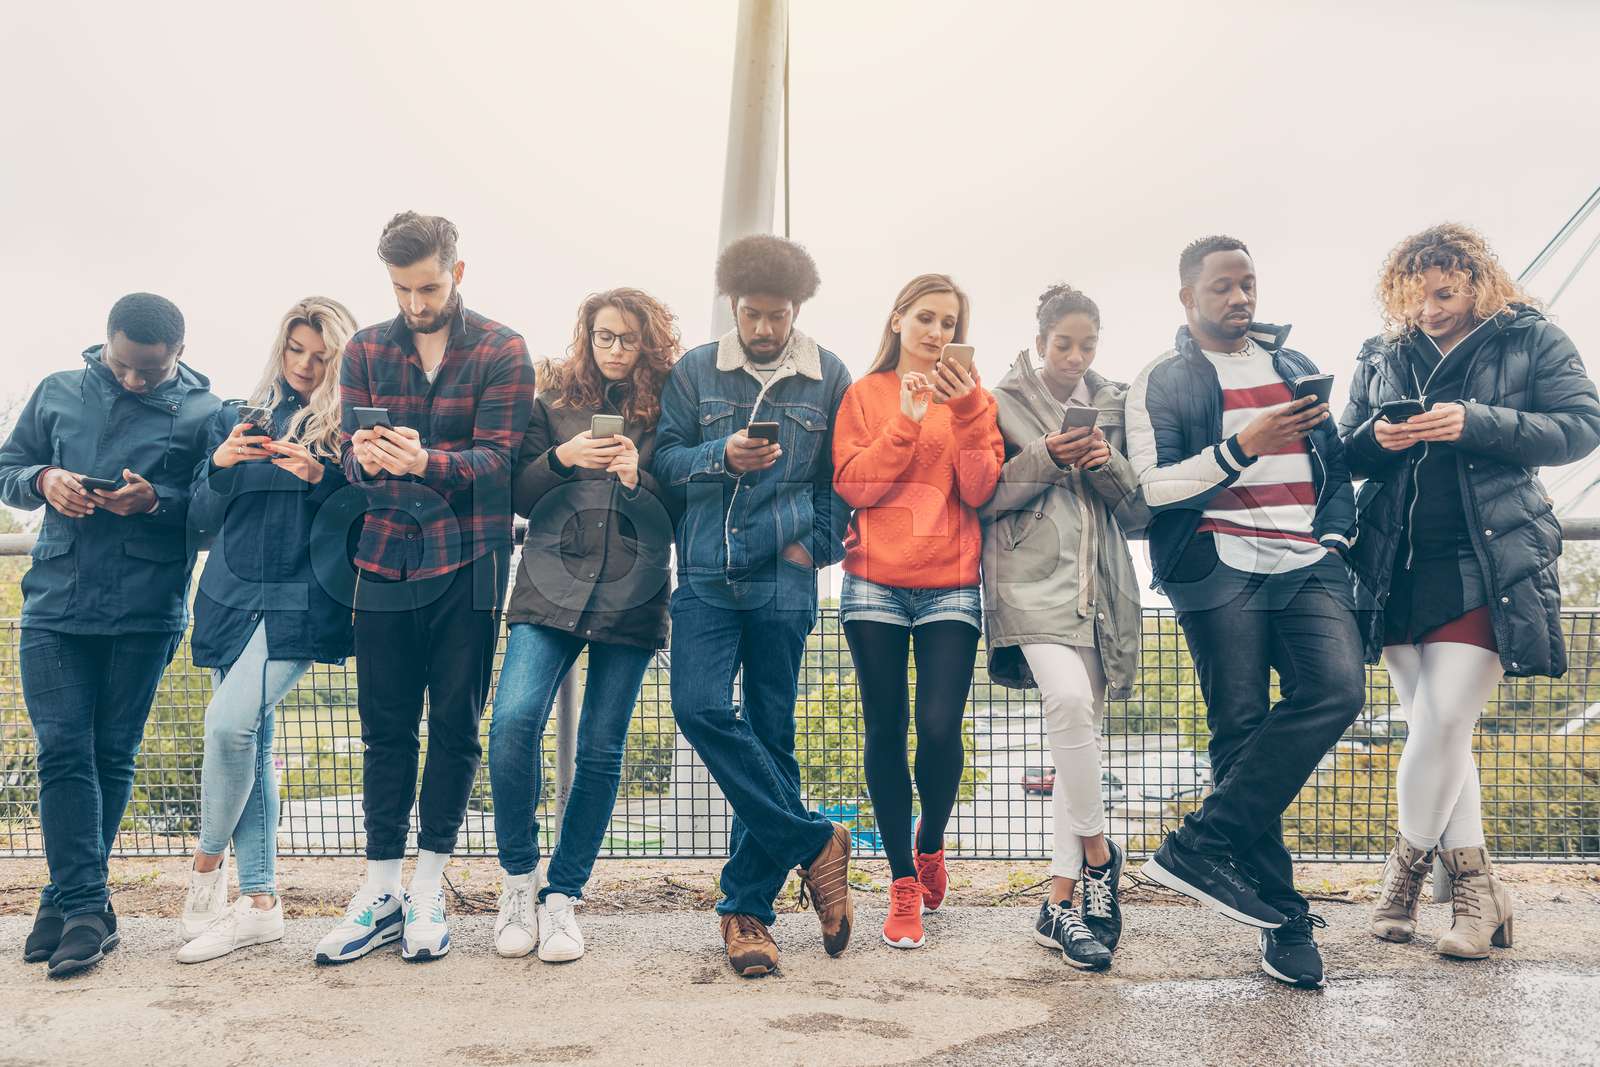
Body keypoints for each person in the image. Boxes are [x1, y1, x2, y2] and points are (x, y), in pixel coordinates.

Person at [1340, 223, 1600, 958]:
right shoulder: (1382, 354)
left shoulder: (1530, 339)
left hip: (1489, 560)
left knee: (1446, 719)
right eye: (1414, 295)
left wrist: (1475, 422)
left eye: (1445, 292)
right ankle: (1483, 896)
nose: (1428, 308)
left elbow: (1583, 426)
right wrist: (1372, 443)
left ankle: (1404, 875)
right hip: (1396, 564)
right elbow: (1342, 447)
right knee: (1438, 732)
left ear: (1477, 281)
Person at [1125, 236, 1365, 989]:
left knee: (1339, 688)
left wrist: (1333, 534)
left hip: (1306, 561)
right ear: (1188, 296)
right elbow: (1150, 486)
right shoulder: (1162, 378)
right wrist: (1241, 447)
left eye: (1248, 283)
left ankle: (1199, 842)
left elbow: (1332, 463)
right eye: (1224, 286)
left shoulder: (1294, 367)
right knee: (1240, 726)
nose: (1240, 298)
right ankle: (1284, 920)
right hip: (1216, 559)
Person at [314, 212, 535, 964]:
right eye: (402, 288)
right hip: (381, 560)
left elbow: (500, 460)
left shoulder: (504, 347)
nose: (415, 302)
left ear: (458, 274)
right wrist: (369, 458)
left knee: (456, 726)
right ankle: (379, 888)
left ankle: (429, 886)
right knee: (383, 728)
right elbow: (348, 459)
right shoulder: (366, 348)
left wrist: (424, 463)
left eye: (429, 286)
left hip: (470, 561)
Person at [651, 234, 855, 977]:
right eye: (751, 313)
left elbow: (840, 480)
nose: (764, 327)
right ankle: (813, 841)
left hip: (785, 576)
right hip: (705, 573)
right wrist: (719, 454)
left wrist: (814, 548)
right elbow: (663, 460)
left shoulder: (828, 375)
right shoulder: (695, 371)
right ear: (732, 303)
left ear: (796, 307)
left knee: (772, 734)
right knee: (700, 707)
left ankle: (748, 913)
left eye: (777, 314)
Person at [0, 293, 221, 978]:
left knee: (110, 753)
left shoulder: (208, 414)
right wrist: (46, 477)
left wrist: (154, 499)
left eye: (148, 371)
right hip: (54, 604)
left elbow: (212, 513)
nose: (133, 379)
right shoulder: (58, 390)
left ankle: (61, 903)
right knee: (62, 749)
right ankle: (90, 908)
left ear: (178, 355)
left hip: (146, 607)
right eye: (122, 365)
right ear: (106, 344)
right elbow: (8, 471)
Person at [489, 288, 680, 963]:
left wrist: (642, 477)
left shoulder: (671, 404)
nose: (616, 349)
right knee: (512, 724)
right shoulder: (554, 397)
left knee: (601, 751)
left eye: (628, 338)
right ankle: (518, 880)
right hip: (548, 586)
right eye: (605, 336)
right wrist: (565, 458)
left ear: (649, 342)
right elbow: (516, 489)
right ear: (587, 336)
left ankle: (562, 895)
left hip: (631, 594)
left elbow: (682, 507)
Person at [176, 297, 360, 963]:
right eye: (296, 350)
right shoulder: (237, 416)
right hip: (228, 597)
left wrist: (321, 477)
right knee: (249, 742)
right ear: (280, 348)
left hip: (303, 600)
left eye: (322, 355)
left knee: (228, 727)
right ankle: (258, 901)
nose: (307, 366)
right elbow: (197, 522)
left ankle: (204, 867)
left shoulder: (352, 428)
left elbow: (364, 521)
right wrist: (221, 465)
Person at [979, 284, 1148, 970]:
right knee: (1070, 703)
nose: (1075, 357)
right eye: (1063, 344)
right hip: (1027, 584)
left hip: (1099, 593)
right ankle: (1102, 855)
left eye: (1087, 345)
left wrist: (1105, 461)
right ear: (1040, 338)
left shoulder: (1115, 400)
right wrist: (1048, 454)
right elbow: (984, 495)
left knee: (1075, 748)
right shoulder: (1001, 400)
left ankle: (1059, 902)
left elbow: (1138, 515)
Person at [831, 273, 1002, 950]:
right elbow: (857, 484)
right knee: (885, 727)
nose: (936, 332)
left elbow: (981, 487)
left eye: (948, 323)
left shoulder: (975, 401)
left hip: (950, 584)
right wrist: (906, 418)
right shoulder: (865, 395)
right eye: (926, 318)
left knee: (938, 727)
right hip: (875, 580)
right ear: (898, 319)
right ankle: (904, 881)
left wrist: (962, 414)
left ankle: (931, 839)